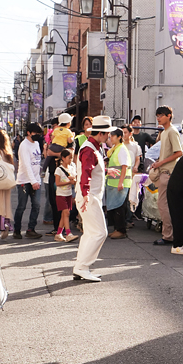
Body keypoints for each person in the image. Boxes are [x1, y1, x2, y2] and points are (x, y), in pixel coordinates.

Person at [72, 116, 117, 282]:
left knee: (91, 233)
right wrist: (85, 194)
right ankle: (82, 267)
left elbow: (90, 169)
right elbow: (86, 172)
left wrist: (106, 170)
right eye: (107, 134)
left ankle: (81, 267)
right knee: (100, 232)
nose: (109, 137)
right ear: (101, 133)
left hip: (88, 196)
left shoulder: (92, 147)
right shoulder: (90, 149)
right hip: (89, 197)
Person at [150, 106, 183, 246]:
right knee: (164, 205)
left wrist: (160, 163)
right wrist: (159, 162)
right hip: (163, 172)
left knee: (163, 204)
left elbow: (179, 152)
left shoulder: (172, 131)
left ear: (169, 116)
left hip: (168, 173)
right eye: (157, 115)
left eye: (161, 115)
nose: (158, 118)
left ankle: (168, 235)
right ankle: (169, 234)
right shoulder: (164, 132)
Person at [14, 122, 44, 240]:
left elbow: (37, 163)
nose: (37, 135)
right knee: (22, 206)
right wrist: (33, 181)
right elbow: (26, 165)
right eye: (35, 133)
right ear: (28, 133)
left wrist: (37, 180)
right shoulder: (24, 145)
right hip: (24, 180)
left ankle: (31, 229)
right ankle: (17, 230)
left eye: (38, 133)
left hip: (35, 179)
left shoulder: (36, 143)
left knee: (36, 205)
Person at [104, 128, 132, 240]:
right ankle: (116, 229)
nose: (110, 137)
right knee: (115, 207)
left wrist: (121, 182)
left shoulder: (121, 149)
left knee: (119, 207)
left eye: (113, 135)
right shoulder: (115, 149)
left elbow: (124, 167)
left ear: (119, 137)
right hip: (113, 183)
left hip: (120, 184)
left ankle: (121, 230)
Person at [53, 150, 79, 242]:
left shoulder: (72, 168)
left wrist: (73, 180)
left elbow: (75, 179)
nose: (71, 160)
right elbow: (57, 183)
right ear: (63, 158)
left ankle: (59, 233)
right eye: (69, 157)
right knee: (66, 213)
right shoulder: (59, 169)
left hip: (68, 194)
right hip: (61, 195)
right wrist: (69, 182)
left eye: (72, 158)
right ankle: (68, 233)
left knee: (64, 215)